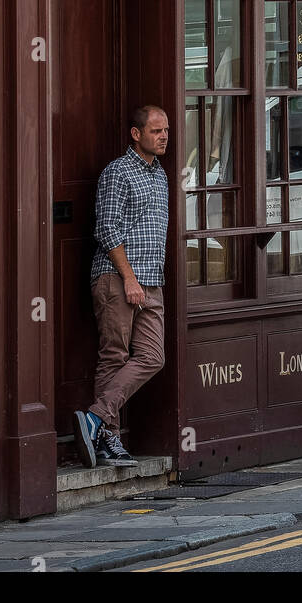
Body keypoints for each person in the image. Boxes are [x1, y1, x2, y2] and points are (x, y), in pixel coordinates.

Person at [73, 105, 169, 468]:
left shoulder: (160, 175)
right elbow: (107, 228)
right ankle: (107, 440)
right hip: (118, 279)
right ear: (136, 133)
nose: (163, 137)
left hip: (152, 281)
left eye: (166, 131)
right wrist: (129, 278)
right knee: (113, 356)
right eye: (156, 131)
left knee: (152, 356)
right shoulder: (118, 173)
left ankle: (95, 418)